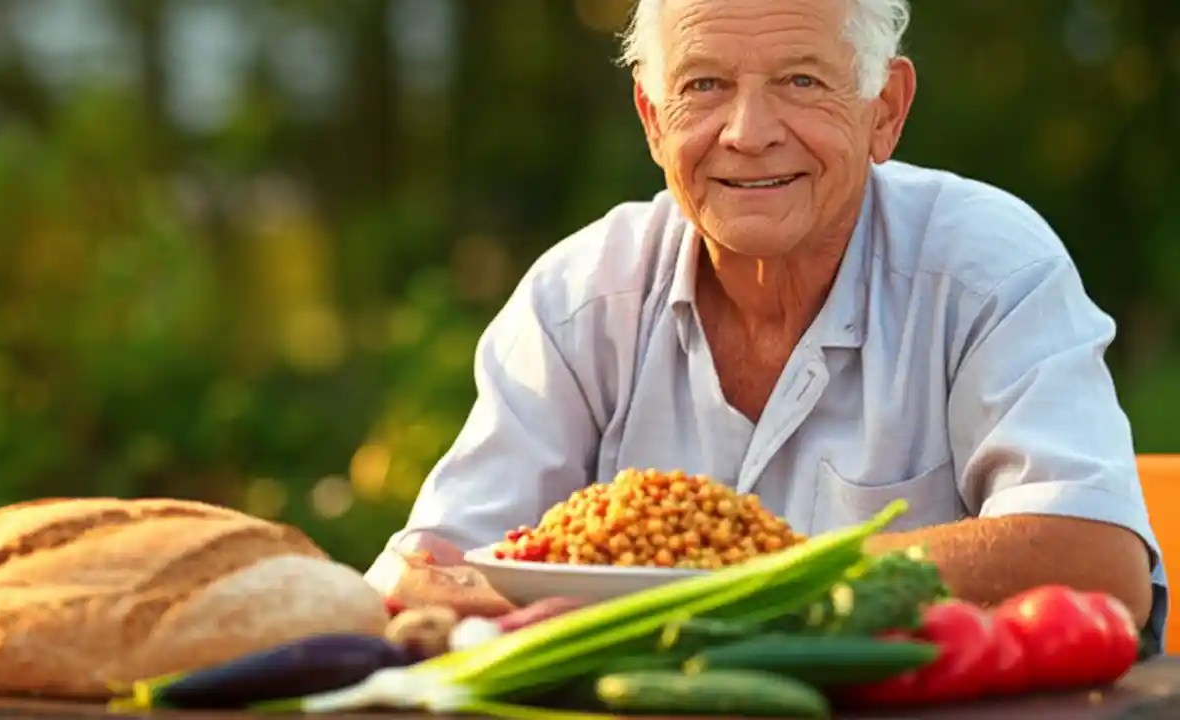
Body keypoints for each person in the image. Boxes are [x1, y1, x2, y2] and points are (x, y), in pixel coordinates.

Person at [364, 0, 1168, 649]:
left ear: (884, 110)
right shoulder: (580, 296)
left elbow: (1096, 563)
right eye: (705, 85)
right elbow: (425, 576)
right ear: (652, 118)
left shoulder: (989, 268)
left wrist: (720, 583)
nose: (749, 133)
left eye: (801, 82)